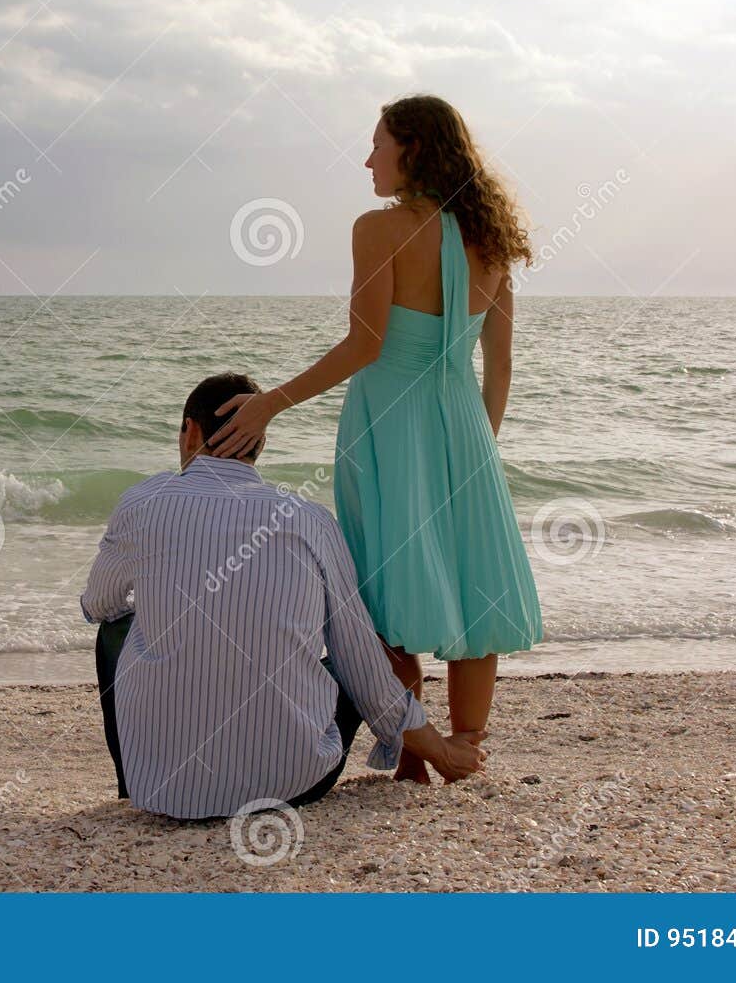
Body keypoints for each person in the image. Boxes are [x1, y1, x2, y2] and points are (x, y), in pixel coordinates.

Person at [206, 95, 543, 784]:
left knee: (383, 591)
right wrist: (477, 446)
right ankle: (467, 746)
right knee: (472, 582)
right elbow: (500, 366)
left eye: (377, 144)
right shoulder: (492, 239)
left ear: (412, 149)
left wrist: (272, 401)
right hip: (464, 424)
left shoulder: (378, 228)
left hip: (388, 424)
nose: (367, 159)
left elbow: (366, 343)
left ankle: (415, 758)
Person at [80, 371, 487, 820]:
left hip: (163, 792)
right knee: (346, 654)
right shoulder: (307, 519)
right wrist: (442, 753)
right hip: (294, 785)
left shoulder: (142, 503)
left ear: (190, 431)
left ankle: (136, 777)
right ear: (260, 442)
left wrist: (164, 606)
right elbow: (363, 665)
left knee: (116, 628)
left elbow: (98, 605)